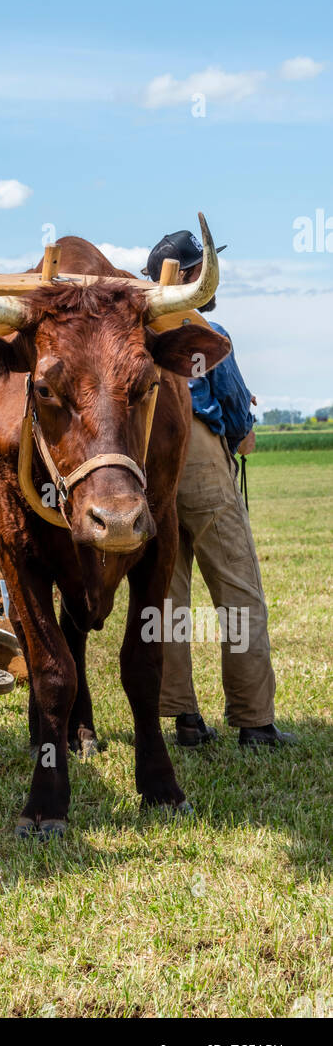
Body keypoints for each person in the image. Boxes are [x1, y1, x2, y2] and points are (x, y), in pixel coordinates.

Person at [143, 229, 295, 748]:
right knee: (238, 590)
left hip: (150, 470)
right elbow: (235, 416)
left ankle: (184, 720)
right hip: (203, 463)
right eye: (204, 269)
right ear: (187, 276)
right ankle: (255, 722)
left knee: (169, 599)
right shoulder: (202, 327)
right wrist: (241, 432)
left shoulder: (138, 330)